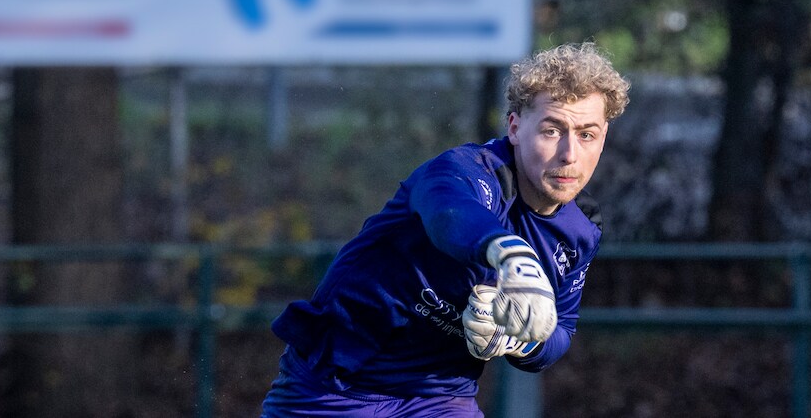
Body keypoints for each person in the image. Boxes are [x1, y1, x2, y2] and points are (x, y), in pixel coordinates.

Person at [261, 42, 631, 417]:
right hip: (335, 387)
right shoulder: (463, 170)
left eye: (587, 135)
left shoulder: (581, 229)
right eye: (552, 130)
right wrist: (509, 253)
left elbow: (561, 330)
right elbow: (450, 214)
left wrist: (518, 340)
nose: (570, 154)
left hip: (440, 401)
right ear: (515, 127)